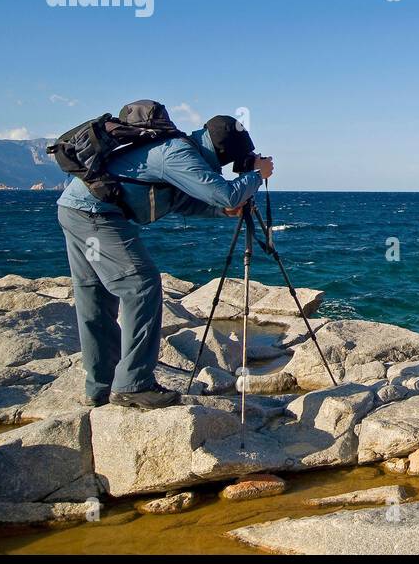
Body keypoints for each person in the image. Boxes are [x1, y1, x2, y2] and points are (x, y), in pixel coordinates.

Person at [56, 113, 272, 408]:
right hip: (96, 217)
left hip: (76, 212)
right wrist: (256, 175)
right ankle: (133, 385)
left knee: (96, 298)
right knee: (140, 285)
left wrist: (222, 211)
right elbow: (226, 194)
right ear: (224, 150)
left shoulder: (180, 150)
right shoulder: (179, 152)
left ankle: (100, 387)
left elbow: (178, 200)